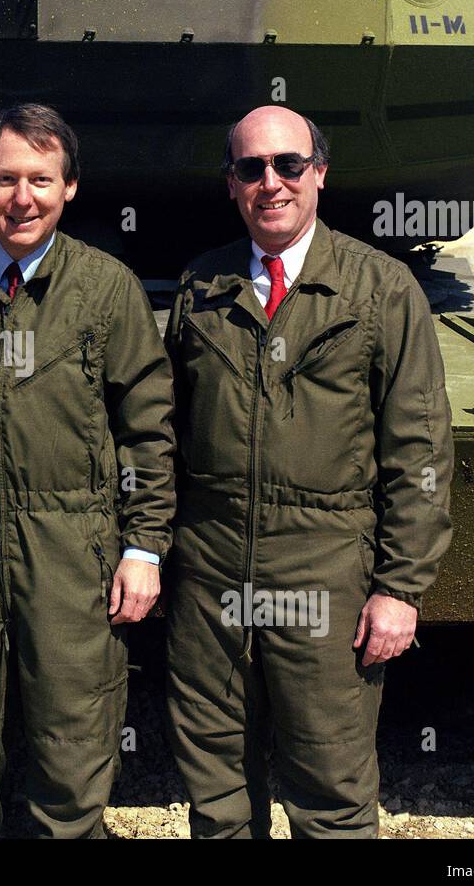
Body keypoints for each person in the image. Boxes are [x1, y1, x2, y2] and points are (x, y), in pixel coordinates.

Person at [164, 104, 454, 838]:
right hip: (212, 566)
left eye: (289, 164)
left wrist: (400, 586)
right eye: (251, 168)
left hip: (325, 565)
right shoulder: (202, 286)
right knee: (217, 782)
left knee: (330, 783)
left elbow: (419, 448)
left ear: (319, 173)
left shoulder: (381, 289)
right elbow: (164, 433)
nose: (272, 182)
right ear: (231, 183)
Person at [0, 103, 176, 838]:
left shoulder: (105, 287)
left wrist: (144, 547)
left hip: (70, 539)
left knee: (72, 727)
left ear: (70, 187)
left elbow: (147, 427)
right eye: (5, 179)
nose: (21, 198)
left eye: (40, 179)